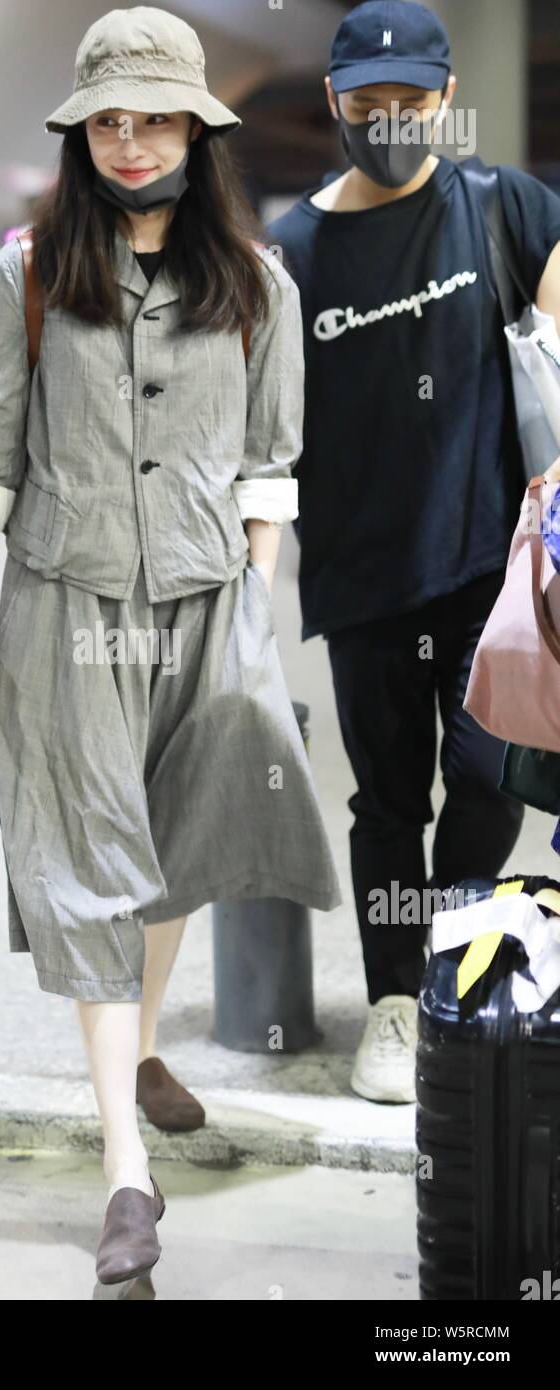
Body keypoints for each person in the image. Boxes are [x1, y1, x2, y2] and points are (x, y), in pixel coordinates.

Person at [0, 5, 342, 1284]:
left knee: (180, 838)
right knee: (91, 860)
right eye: (105, 119)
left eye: (150, 116)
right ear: (79, 133)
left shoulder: (256, 281)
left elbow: (269, 463)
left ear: (194, 128)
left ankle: (144, 1040)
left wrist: (253, 604)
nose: (126, 141)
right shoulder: (31, 274)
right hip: (64, 604)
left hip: (207, 606)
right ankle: (124, 1164)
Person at [266, 0, 560, 1103]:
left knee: (485, 783)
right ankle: (393, 1006)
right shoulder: (291, 252)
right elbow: (262, 426)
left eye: (409, 102)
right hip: (362, 578)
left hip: (490, 572)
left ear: (443, 98)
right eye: (365, 103)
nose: (388, 121)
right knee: (387, 802)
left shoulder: (498, 205)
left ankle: (457, 977)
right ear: (335, 103)